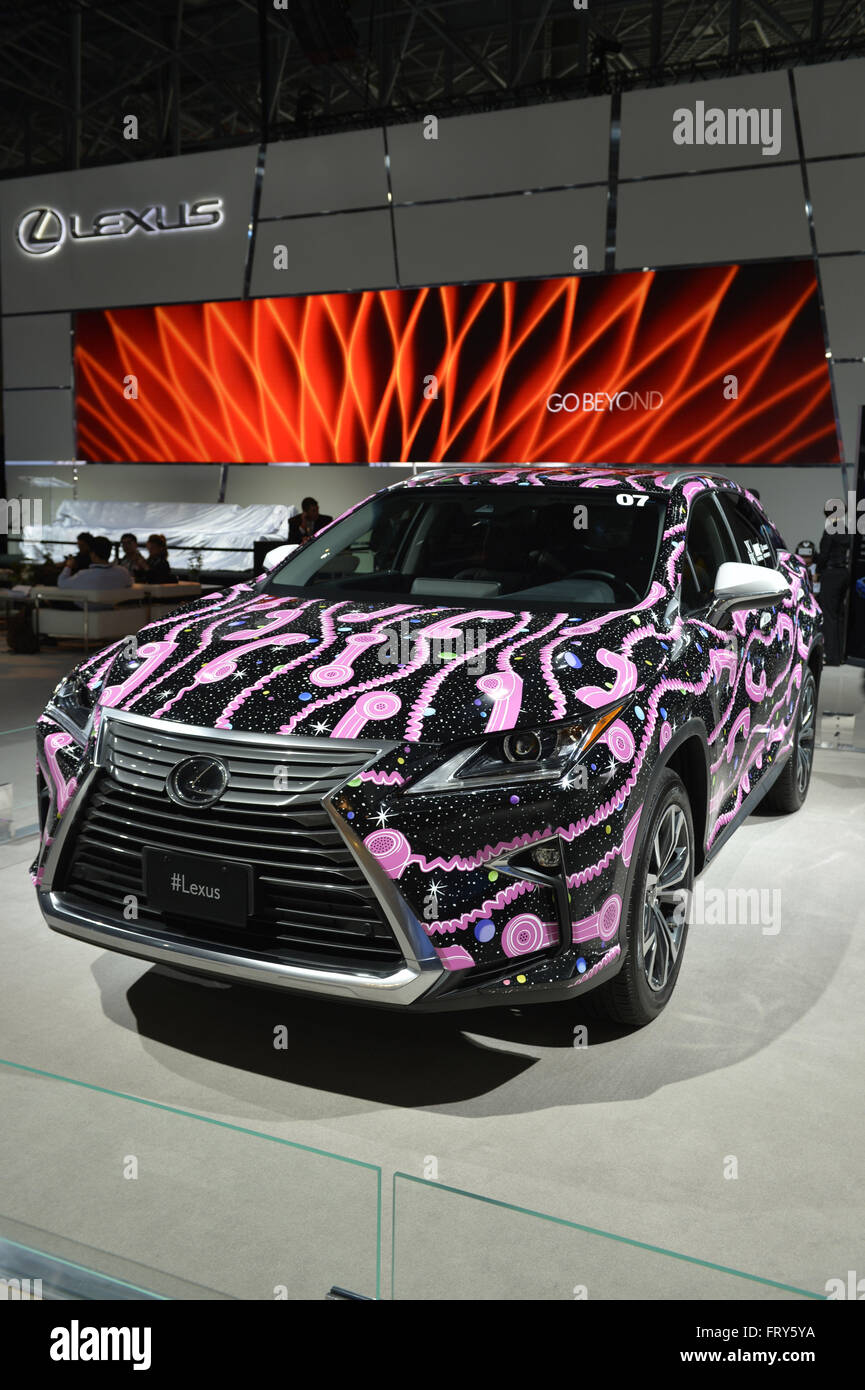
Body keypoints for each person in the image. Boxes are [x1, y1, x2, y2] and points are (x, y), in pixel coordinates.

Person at [816, 502, 852, 666]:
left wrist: (817, 571)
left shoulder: (831, 529)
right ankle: (840, 656)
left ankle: (831, 657)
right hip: (844, 573)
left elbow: (824, 555)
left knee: (829, 616)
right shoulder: (847, 530)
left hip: (831, 574)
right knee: (839, 616)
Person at [58, 535, 133, 595]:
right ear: (109, 553)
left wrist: (68, 566)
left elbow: (62, 583)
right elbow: (130, 583)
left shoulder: (83, 575)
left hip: (85, 610)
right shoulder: (122, 572)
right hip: (115, 608)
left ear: (92, 554)